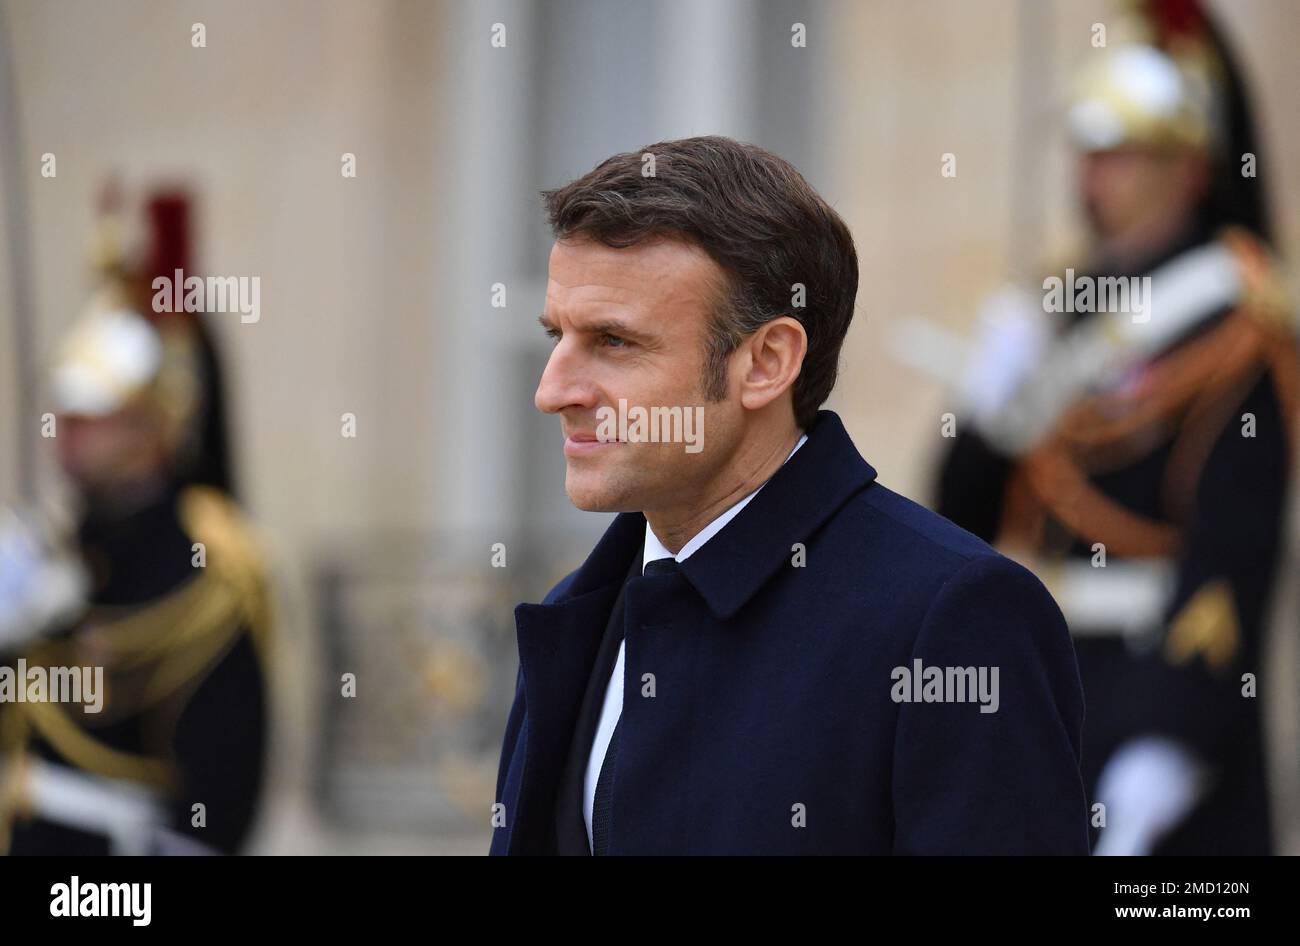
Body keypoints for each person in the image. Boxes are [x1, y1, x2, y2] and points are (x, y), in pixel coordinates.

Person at [490, 135, 1089, 855]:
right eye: (558, 335)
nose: (553, 390)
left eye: (614, 342)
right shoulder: (575, 613)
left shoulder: (952, 616)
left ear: (767, 362)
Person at [934, 3, 1296, 855]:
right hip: (1051, 688)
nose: (1091, 177)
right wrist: (989, 409)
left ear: (1189, 169)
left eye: (1119, 154)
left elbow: (1233, 546)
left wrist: (1173, 734)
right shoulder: (1060, 313)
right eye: (1086, 153)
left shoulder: (1234, 319)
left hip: (1168, 702)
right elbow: (960, 520)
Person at [0, 289, 271, 855]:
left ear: (151, 428)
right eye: (66, 417)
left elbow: (221, 772)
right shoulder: (57, 545)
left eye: (95, 419)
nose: (70, 437)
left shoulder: (203, 565)